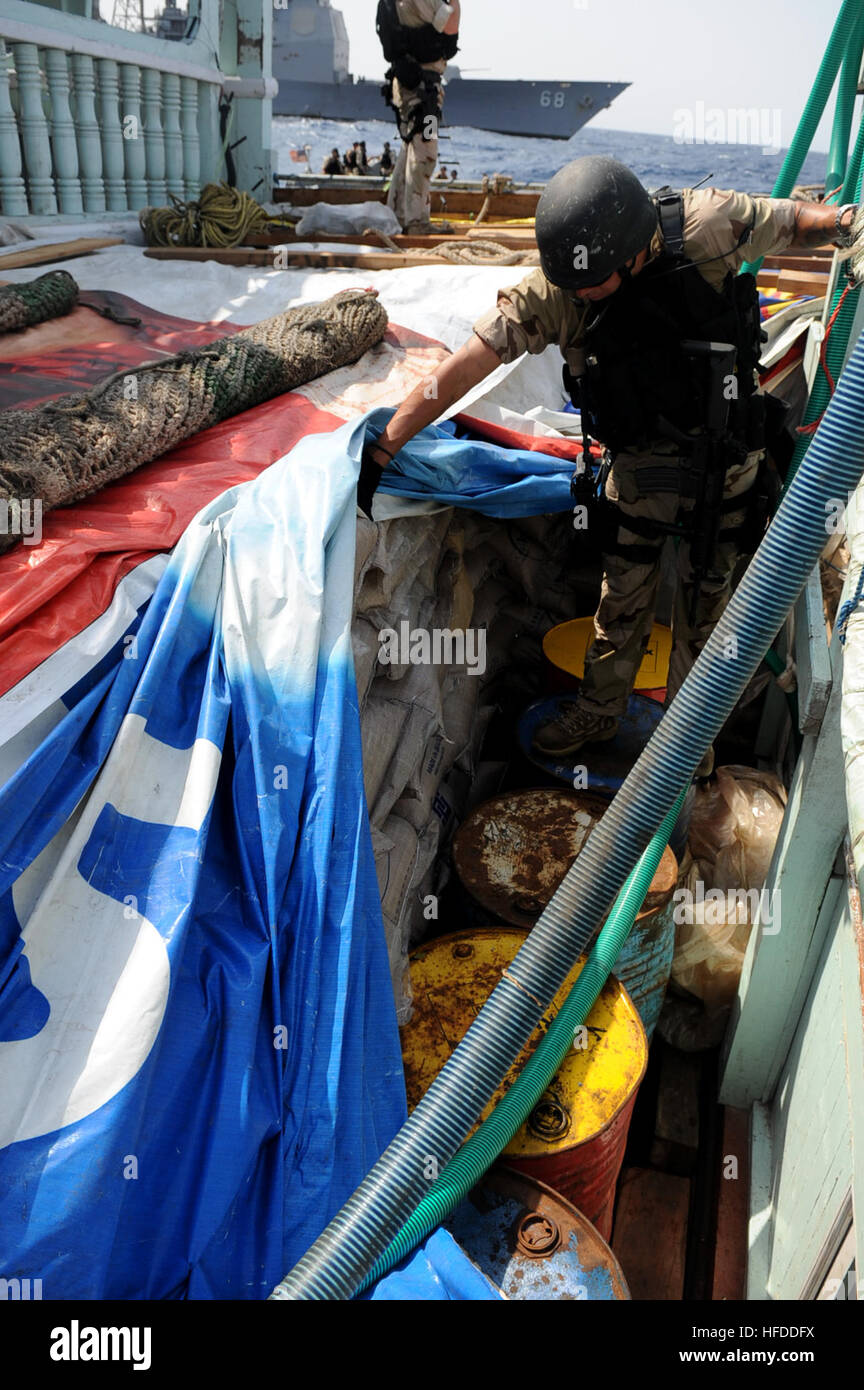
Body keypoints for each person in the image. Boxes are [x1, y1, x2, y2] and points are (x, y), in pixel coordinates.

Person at [358, 156, 860, 757]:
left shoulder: (705, 228)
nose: (581, 295)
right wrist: (390, 442)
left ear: (632, 251)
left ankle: (688, 754)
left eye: (592, 282)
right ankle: (597, 715)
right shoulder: (564, 291)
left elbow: (795, 220)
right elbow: (471, 361)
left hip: (723, 471)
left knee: (710, 618)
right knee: (619, 603)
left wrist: (848, 224)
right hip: (638, 472)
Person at [376, 0, 461, 233]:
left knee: (410, 149)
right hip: (423, 93)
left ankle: (398, 216)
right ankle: (417, 223)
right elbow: (449, 27)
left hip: (414, 88)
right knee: (426, 153)